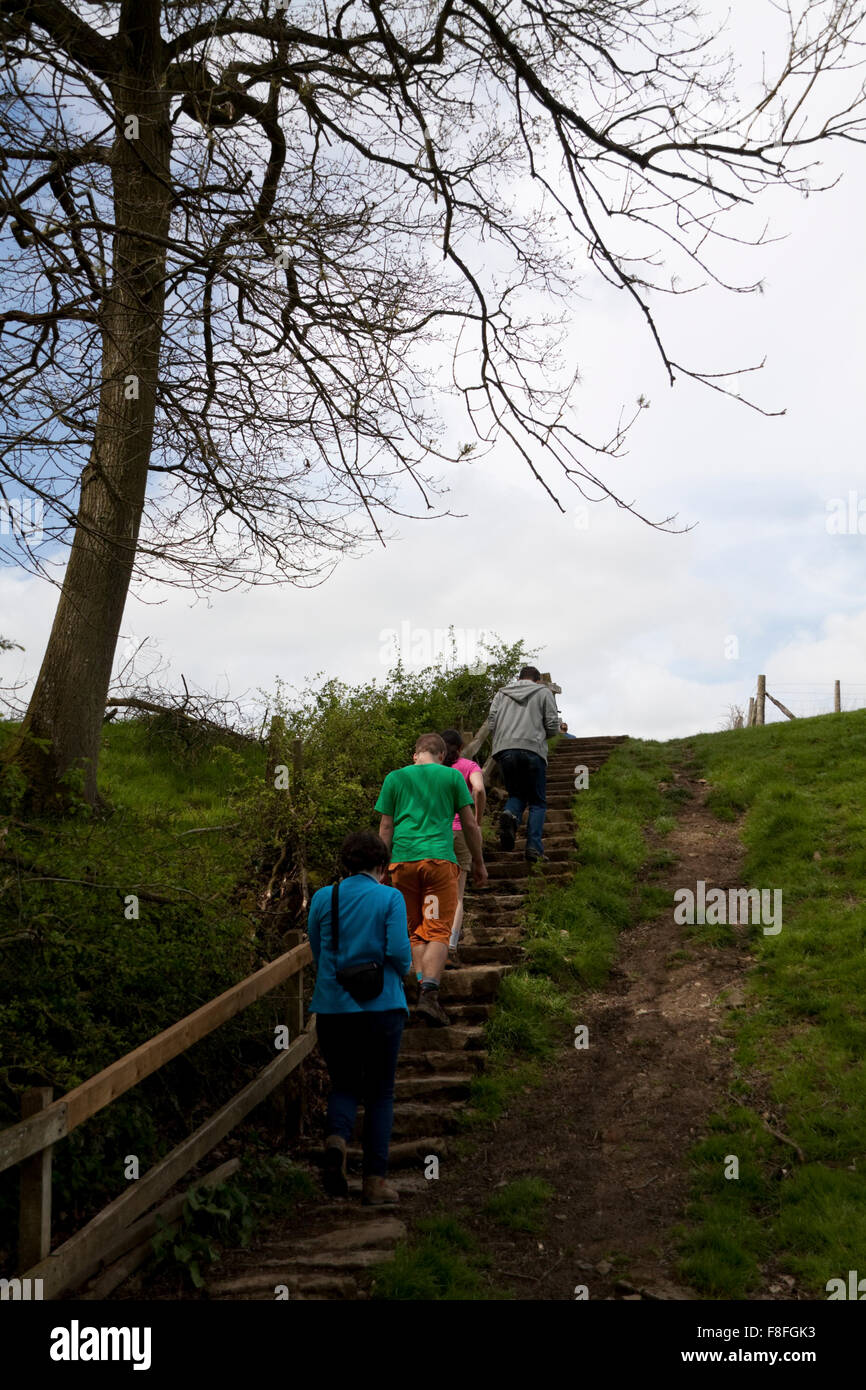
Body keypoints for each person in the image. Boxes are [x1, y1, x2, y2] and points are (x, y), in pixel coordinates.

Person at [307, 830, 412, 1206]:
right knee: (380, 1092)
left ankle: (337, 1139)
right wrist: (400, 971)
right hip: (381, 1007)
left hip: (333, 1009)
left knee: (344, 1085)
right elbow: (400, 953)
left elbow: (317, 952)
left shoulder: (324, 897)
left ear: (345, 864)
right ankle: (374, 1182)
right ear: (382, 866)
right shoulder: (390, 897)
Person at [376, 732, 488, 1026]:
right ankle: (429, 995)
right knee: (437, 928)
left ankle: (419, 988)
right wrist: (478, 862)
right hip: (438, 863)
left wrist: (381, 868)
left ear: (416, 755)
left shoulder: (395, 778)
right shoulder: (451, 778)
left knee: (414, 929)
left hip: (402, 863)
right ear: (442, 756)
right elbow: (468, 824)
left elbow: (386, 827)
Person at [488, 665, 561, 862]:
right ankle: (533, 849)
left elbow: (491, 722)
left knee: (517, 794)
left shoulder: (501, 693)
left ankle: (510, 815)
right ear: (537, 680)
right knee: (537, 801)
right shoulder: (543, 692)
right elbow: (553, 726)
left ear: (519, 678)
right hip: (532, 750)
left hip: (505, 751)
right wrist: (540, 736)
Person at [440, 728, 486, 958]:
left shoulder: (434, 770)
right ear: (460, 748)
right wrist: (477, 820)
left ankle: (428, 942)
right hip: (462, 832)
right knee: (457, 895)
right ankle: (451, 944)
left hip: (436, 834)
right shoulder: (469, 766)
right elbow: (478, 788)